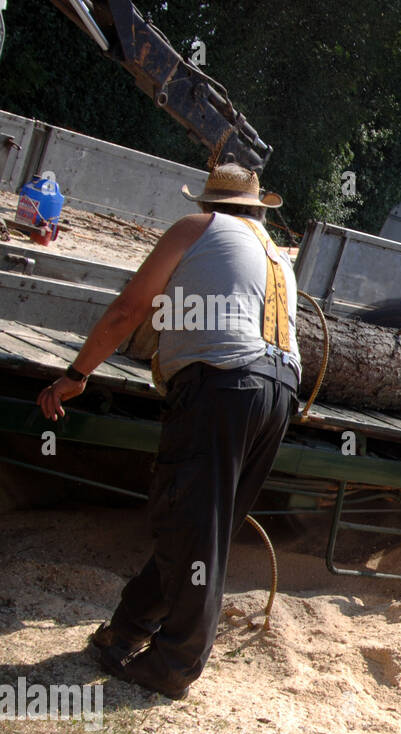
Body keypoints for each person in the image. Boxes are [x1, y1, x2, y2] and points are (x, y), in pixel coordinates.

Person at [37, 164, 300, 699]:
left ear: (211, 203)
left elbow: (129, 309)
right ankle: (127, 631)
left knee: (190, 524)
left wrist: (75, 374)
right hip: (278, 393)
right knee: (201, 526)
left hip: (223, 386)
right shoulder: (277, 256)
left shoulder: (196, 228)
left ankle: (175, 666)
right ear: (256, 208)